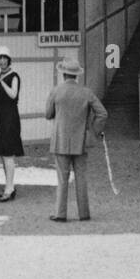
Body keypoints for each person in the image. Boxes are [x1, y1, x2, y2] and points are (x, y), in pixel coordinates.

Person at [44, 58, 107, 222]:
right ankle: (84, 213)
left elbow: (48, 114)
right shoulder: (86, 92)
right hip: (81, 141)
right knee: (81, 177)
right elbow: (102, 114)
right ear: (76, 75)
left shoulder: (56, 91)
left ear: (64, 74)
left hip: (60, 140)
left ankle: (60, 213)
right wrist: (94, 131)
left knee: (62, 179)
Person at [0, 46, 24, 201]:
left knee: (8, 154)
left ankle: (9, 189)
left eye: (5, 58)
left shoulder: (13, 76)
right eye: (0, 58)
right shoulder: (0, 76)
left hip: (10, 117)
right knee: (3, 154)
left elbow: (13, 94)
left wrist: (1, 82)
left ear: (9, 59)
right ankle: (8, 186)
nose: (2, 61)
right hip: (2, 117)